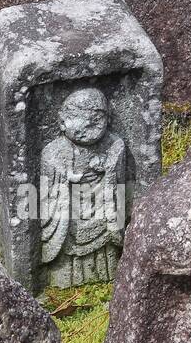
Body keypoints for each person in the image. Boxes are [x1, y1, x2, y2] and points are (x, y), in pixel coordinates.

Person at [39, 88, 126, 287]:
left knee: (106, 248)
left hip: (102, 206)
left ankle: (107, 276)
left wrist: (108, 168)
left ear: (108, 118)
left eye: (97, 117)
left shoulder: (114, 144)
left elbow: (119, 175)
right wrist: (65, 177)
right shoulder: (53, 150)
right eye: (79, 117)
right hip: (69, 211)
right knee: (69, 248)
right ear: (62, 122)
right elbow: (49, 178)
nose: (89, 124)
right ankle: (63, 281)